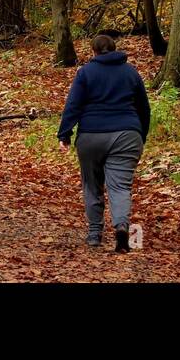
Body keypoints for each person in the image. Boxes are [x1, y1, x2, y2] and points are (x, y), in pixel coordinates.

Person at [57, 34, 151, 252]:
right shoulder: (131, 73)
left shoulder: (86, 73)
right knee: (120, 187)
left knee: (92, 185)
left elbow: (73, 104)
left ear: (94, 52)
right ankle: (121, 228)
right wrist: (140, 134)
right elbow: (144, 108)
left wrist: (65, 134)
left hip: (91, 135)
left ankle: (94, 234)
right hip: (127, 135)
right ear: (115, 49)